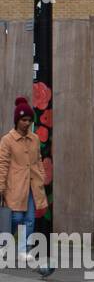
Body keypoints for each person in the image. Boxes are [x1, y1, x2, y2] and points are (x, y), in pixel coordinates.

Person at [0, 98, 48, 267]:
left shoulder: (34, 139)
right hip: (15, 184)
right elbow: (3, 163)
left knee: (29, 219)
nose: (26, 123)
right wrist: (1, 185)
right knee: (15, 217)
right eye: (23, 120)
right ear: (17, 120)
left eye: (29, 120)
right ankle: (3, 244)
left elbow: (39, 160)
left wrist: (41, 176)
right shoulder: (7, 140)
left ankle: (23, 250)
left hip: (32, 185)